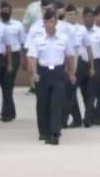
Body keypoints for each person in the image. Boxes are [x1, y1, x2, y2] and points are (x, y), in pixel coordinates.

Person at [27, 9, 76, 145]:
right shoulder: (38, 39)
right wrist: (34, 73)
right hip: (43, 73)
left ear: (56, 22)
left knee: (56, 103)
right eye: (46, 21)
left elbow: (69, 57)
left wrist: (71, 73)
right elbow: (33, 58)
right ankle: (44, 131)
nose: (49, 24)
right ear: (43, 23)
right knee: (43, 104)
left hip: (58, 72)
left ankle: (55, 133)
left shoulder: (63, 38)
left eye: (51, 21)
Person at [0, 2, 26, 121]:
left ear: (11, 11)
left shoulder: (18, 25)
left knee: (8, 85)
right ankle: (10, 111)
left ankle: (7, 113)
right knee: (3, 85)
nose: (5, 12)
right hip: (0, 57)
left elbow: (23, 43)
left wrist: (24, 60)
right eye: (3, 10)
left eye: (7, 10)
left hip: (14, 57)